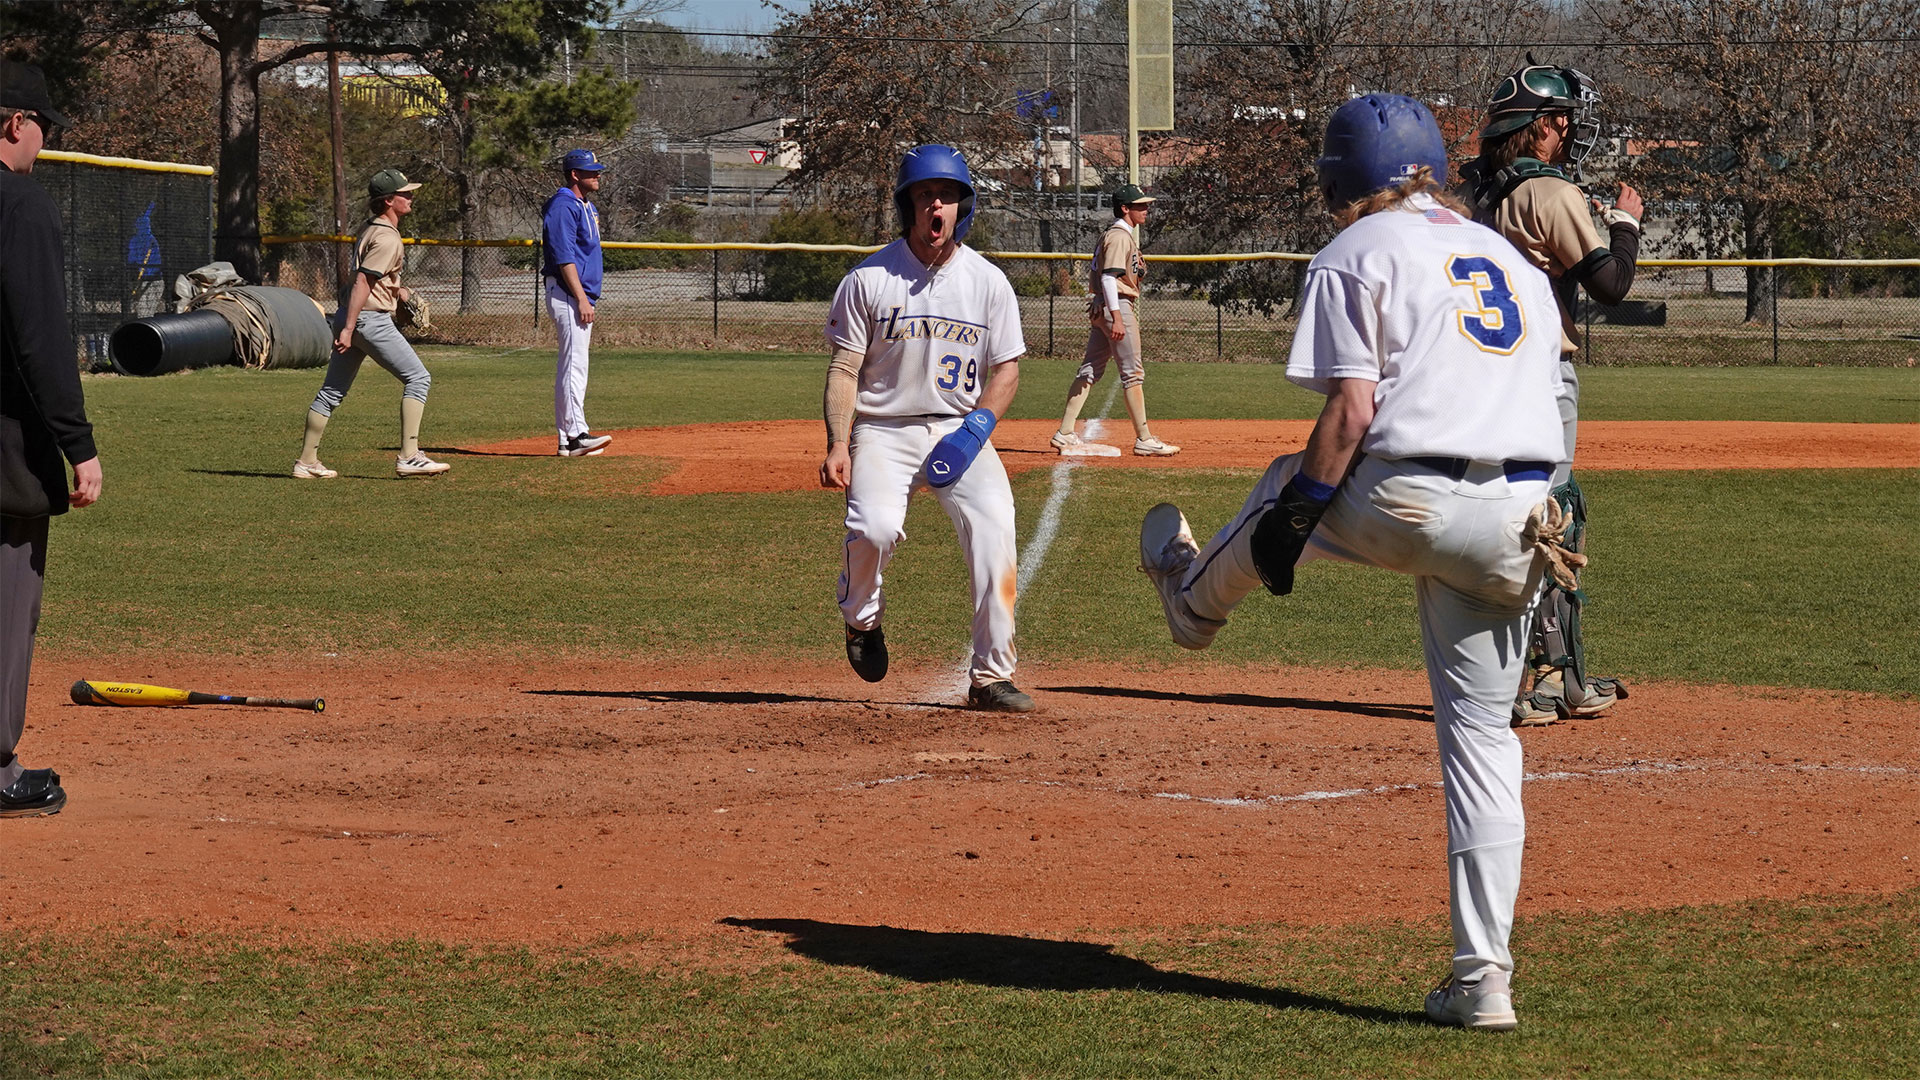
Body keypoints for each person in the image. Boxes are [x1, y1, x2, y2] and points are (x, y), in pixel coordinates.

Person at [1138, 95, 1567, 1029]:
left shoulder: (1353, 254)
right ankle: (1483, 980)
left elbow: (1352, 414)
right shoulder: (1511, 257)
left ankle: (1192, 604)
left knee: (1289, 479)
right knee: (1485, 745)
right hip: (1526, 515)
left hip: (1410, 495)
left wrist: (1297, 520)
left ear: (1343, 179)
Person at [819, 144, 1034, 713]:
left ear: (963, 206)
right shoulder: (869, 278)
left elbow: (1006, 369)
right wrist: (839, 441)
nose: (934, 206)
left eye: (946, 196)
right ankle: (860, 619)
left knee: (996, 531)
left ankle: (991, 676)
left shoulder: (988, 282)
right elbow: (844, 368)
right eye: (923, 196)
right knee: (875, 530)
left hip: (959, 429)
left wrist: (976, 430)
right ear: (907, 206)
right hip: (883, 429)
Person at [1464, 55, 1641, 724]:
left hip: (1483, 373)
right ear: (1535, 130)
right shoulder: (1549, 192)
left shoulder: (1479, 196)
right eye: (1561, 121)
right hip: (1542, 376)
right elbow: (1611, 286)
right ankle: (1550, 678)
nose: (1569, 131)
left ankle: (1540, 679)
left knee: (1504, 515)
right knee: (1553, 519)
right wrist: (1624, 223)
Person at [2, 60, 101, 818]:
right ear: (13, 123)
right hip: (6, 454)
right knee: (8, 600)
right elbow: (40, 339)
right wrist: (78, 442)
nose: (43, 142)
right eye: (41, 127)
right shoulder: (20, 205)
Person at [296, 167, 449, 479]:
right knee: (418, 379)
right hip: (368, 320)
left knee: (332, 391)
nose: (411, 197)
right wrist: (351, 328)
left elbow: (368, 279)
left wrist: (397, 291)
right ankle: (409, 456)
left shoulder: (370, 228)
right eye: (406, 193)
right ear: (389, 200)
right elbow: (363, 283)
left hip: (351, 316)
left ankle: (306, 461)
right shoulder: (387, 238)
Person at [1050, 183, 1179, 456]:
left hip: (1104, 306)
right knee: (1133, 373)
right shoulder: (1120, 236)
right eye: (1140, 205)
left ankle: (1064, 432)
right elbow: (1109, 278)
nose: (1146, 209)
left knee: (1089, 371)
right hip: (1116, 306)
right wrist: (1118, 317)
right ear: (1125, 208)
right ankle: (1144, 438)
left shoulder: (1115, 234)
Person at [542, 148, 613, 458]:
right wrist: (581, 298)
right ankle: (576, 435)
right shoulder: (563, 206)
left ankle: (567, 439)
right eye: (591, 170)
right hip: (569, 294)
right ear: (575, 174)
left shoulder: (585, 205)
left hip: (578, 295)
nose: (597, 174)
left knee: (573, 365)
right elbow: (564, 256)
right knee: (574, 366)